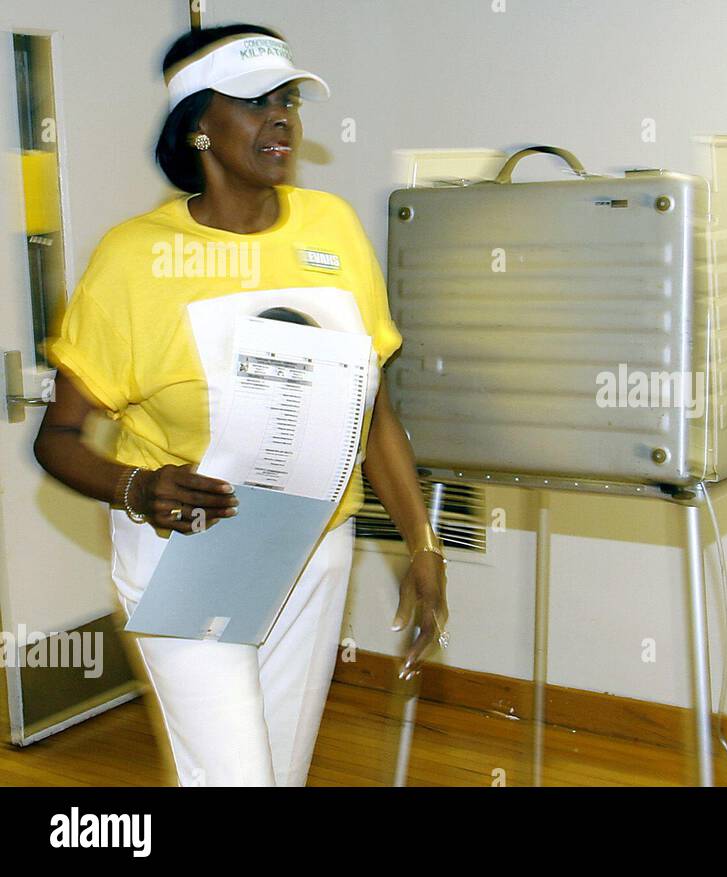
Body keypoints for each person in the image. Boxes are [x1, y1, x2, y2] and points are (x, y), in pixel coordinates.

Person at [33, 24, 448, 786]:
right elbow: (56, 438)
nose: (282, 117)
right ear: (196, 124)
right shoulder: (133, 259)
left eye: (288, 99)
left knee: (277, 775)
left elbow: (374, 415)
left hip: (312, 545)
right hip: (188, 551)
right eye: (256, 101)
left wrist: (421, 543)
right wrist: (136, 486)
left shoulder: (335, 230)